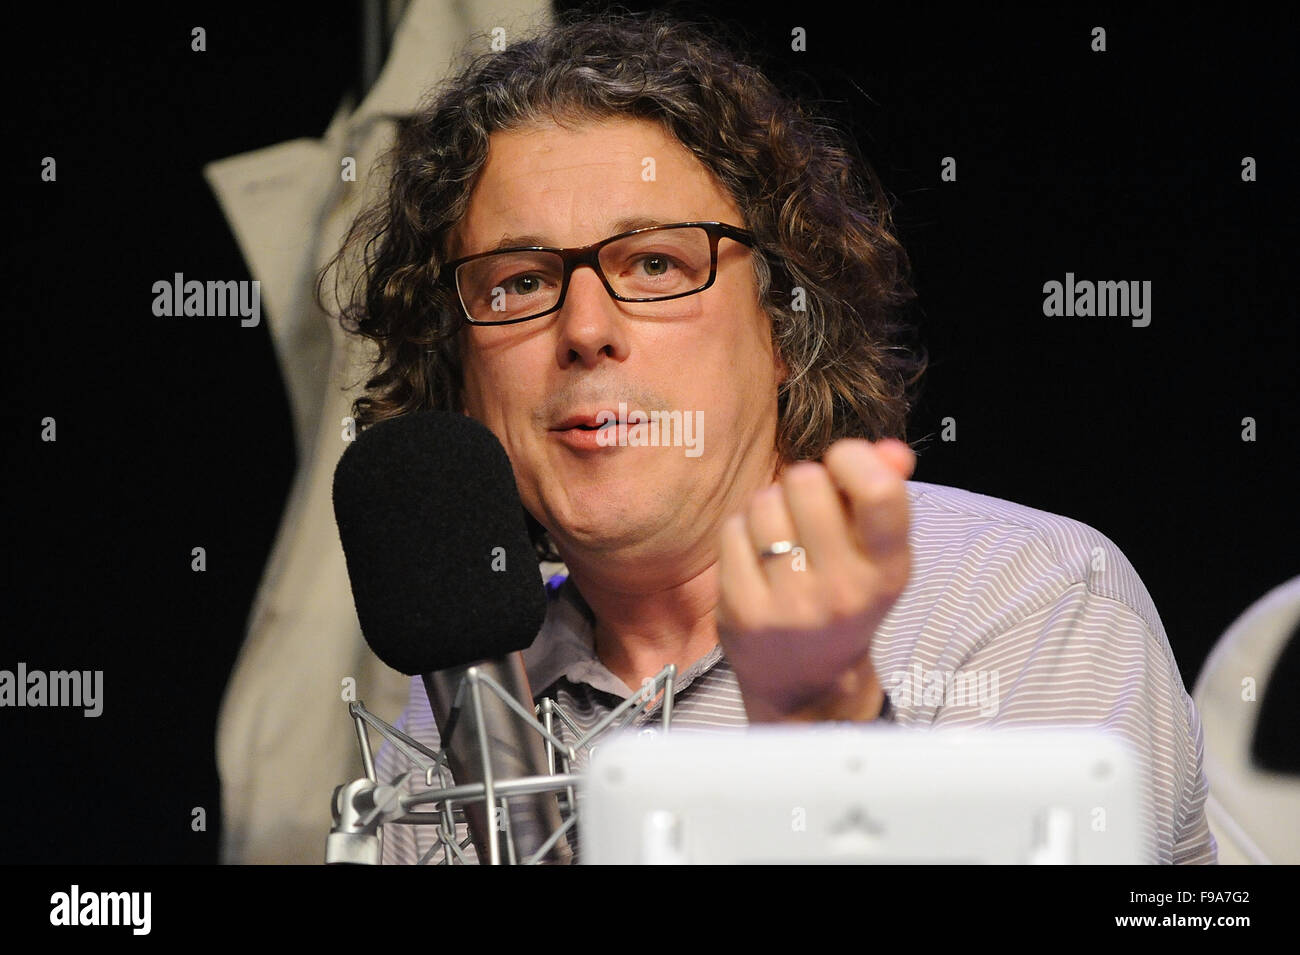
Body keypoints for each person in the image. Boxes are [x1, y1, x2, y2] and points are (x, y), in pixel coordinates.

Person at [321, 11, 1215, 864]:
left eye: (657, 264)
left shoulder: (1015, 601)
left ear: (785, 329)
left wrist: (828, 723)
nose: (585, 327)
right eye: (518, 281)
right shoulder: (465, 694)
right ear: (463, 370)